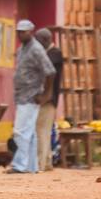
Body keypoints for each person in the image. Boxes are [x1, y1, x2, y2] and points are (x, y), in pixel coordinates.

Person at [8, 19, 56, 174]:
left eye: (24, 32)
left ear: (31, 31)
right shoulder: (22, 48)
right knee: (30, 132)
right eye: (18, 32)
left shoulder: (36, 49)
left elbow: (50, 72)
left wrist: (46, 94)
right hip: (22, 95)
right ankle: (31, 166)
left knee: (20, 131)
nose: (20, 34)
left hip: (31, 95)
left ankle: (19, 165)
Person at [34, 28, 64, 171]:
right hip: (45, 98)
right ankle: (46, 162)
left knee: (41, 131)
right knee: (43, 131)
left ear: (46, 40)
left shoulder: (55, 54)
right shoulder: (48, 54)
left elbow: (45, 68)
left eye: (38, 40)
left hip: (48, 99)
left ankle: (40, 163)